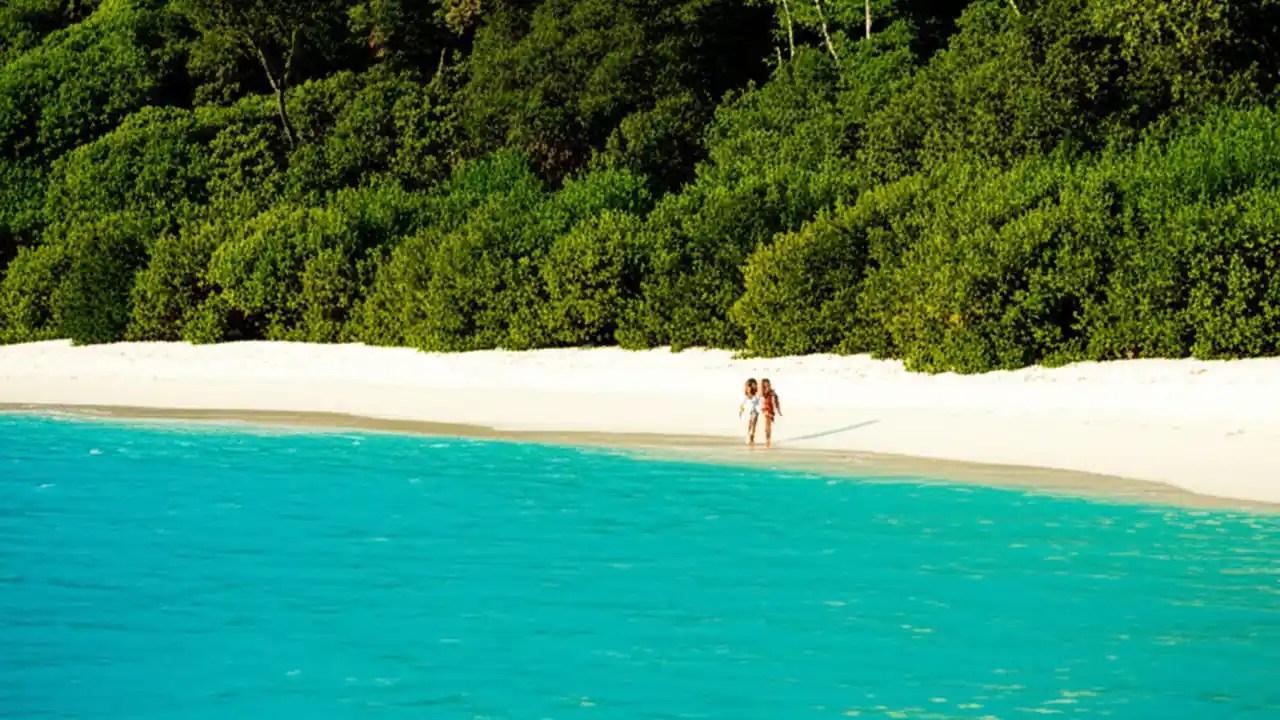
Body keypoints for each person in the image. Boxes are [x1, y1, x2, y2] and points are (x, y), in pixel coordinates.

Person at [760, 378, 782, 448]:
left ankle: (768, 440)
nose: (767, 384)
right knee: (767, 426)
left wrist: (779, 410)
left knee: (768, 426)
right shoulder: (763, 392)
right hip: (765, 409)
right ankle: (767, 441)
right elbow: (762, 398)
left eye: (768, 383)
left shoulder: (772, 392)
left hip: (770, 410)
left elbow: (776, 401)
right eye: (765, 383)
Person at [738, 378, 760, 447]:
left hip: (755, 412)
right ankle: (750, 438)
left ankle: (751, 439)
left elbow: (758, 404)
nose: (755, 386)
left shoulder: (755, 396)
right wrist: (741, 411)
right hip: (750, 412)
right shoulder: (748, 396)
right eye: (754, 384)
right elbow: (743, 404)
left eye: (755, 384)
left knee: (753, 426)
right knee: (750, 425)